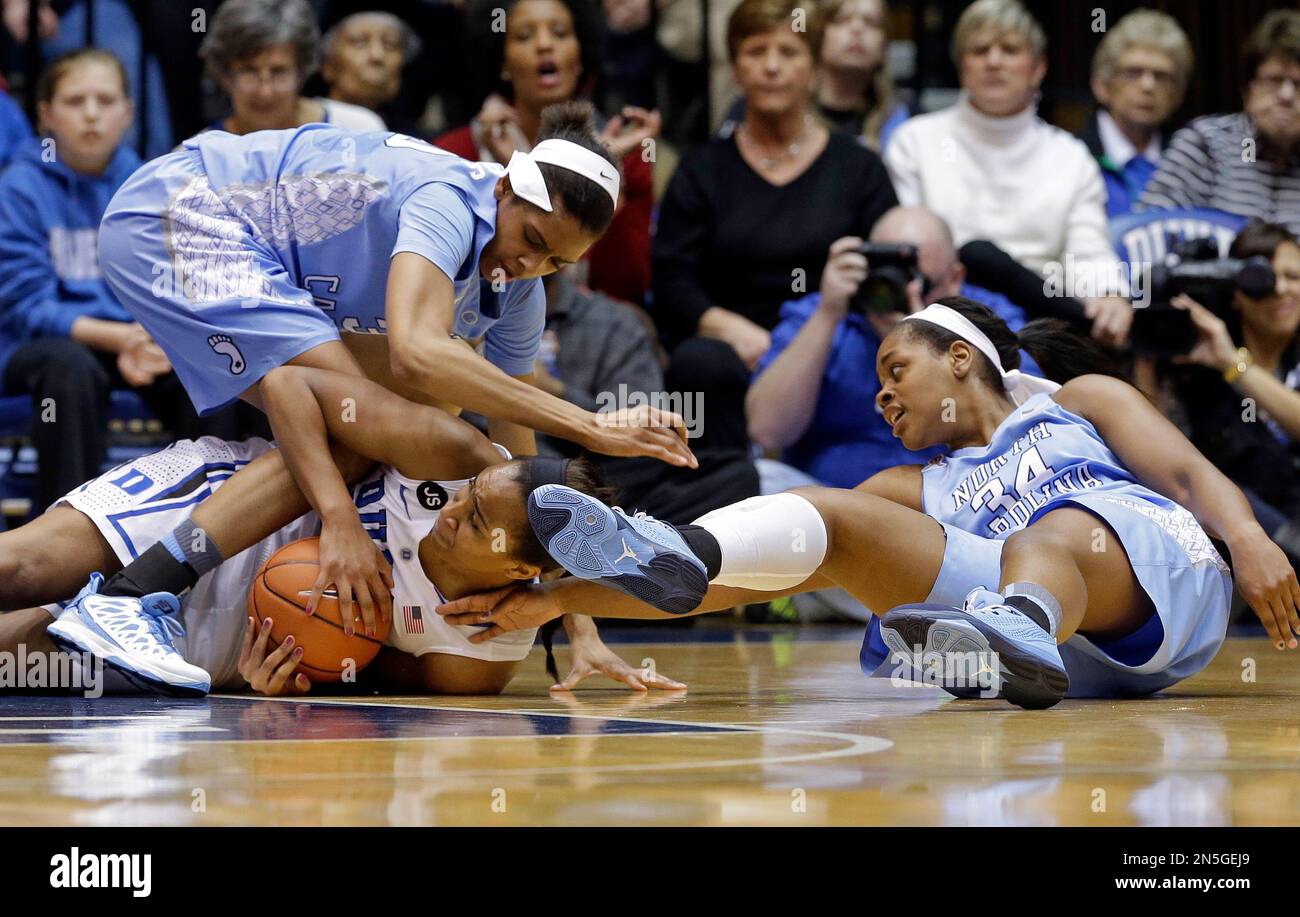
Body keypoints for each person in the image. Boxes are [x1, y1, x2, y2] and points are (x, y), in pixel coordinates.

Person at [74, 99, 695, 679]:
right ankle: (131, 595)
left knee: (390, 422)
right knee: (372, 426)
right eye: (532, 242)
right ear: (505, 187)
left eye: (557, 262)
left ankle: (148, 583)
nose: (533, 267)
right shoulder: (447, 198)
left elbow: (527, 470)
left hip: (232, 238)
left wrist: (571, 618)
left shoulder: (517, 289)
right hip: (180, 211)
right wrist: (590, 426)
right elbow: (416, 355)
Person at [440, 297, 1300, 709]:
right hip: (1066, 657)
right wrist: (553, 598)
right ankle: (667, 543)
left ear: (963, 357)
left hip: (1163, 580)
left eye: (898, 372)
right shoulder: (910, 487)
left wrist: (1251, 540)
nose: (884, 401)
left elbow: (1185, 474)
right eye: (879, 390)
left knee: (1054, 531)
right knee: (832, 519)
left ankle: (1013, 629)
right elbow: (757, 583)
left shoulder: (1075, 401)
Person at [1, 365, 680, 696]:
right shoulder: (451, 451)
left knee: (19, 662)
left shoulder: (478, 653)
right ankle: (133, 587)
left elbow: (359, 671)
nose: (452, 509)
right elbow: (293, 384)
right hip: (227, 510)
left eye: (473, 520)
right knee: (22, 570)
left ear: (513, 570)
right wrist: (340, 519)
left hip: (248, 624)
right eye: (469, 495)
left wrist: (286, 681)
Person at [0, 49, 240, 513]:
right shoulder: (18, 189)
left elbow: (177, 280)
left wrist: (158, 338)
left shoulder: (150, 184)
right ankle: (61, 546)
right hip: (42, 346)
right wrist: (122, 338)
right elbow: (27, 307)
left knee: (216, 369)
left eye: (105, 100)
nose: (91, 114)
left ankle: (212, 531)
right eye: (74, 101)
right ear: (46, 114)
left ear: (128, 113)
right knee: (69, 371)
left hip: (138, 342)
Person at [653, 0, 897, 452]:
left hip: (835, 346)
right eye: (755, 51)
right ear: (736, 69)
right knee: (698, 363)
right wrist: (731, 329)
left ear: (813, 67)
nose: (771, 66)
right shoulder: (701, 171)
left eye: (788, 52)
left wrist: (807, 345)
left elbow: (888, 271)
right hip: (730, 354)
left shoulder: (859, 168)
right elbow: (672, 281)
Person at [747, 206, 1064, 489]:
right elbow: (766, 431)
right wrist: (829, 313)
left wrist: (925, 338)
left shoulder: (985, 318)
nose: (896, 291)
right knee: (759, 478)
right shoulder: (823, 311)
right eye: (884, 276)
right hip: (830, 503)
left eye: (917, 280)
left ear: (954, 278)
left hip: (952, 501)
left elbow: (1024, 427)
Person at [883, 0, 1132, 347]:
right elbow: (910, 252)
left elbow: (1087, 253)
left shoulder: (1070, 156)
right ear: (961, 66)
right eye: (980, 50)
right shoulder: (914, 141)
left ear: (1038, 67)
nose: (994, 61)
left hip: (1044, 325)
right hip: (943, 322)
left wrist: (1106, 294)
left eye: (1010, 50)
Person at [436, 0, 658, 307]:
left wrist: (602, 186)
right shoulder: (456, 151)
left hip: (583, 323)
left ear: (581, 55)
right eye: (524, 36)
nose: (544, 45)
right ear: (502, 61)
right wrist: (511, 179)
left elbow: (625, 287)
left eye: (560, 33)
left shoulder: (627, 158)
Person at [1168, 220, 1300, 565]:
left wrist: (1235, 365)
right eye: (1263, 279)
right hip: (1234, 549)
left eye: (1294, 277)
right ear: (1237, 293)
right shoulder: (1196, 359)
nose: (1281, 290)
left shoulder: (1231, 360)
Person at [1138, 9, 1300, 236]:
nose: (1286, 96)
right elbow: (1146, 234)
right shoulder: (1206, 143)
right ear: (1248, 89)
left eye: (1298, 84)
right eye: (1273, 80)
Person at [718, 0, 909, 152]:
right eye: (841, 19)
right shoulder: (771, 105)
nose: (857, 29)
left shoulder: (905, 115)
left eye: (872, 22)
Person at [200, 0, 386, 135]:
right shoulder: (194, 158)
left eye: (279, 72)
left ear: (302, 71)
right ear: (224, 75)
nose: (266, 92)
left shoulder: (360, 130)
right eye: (249, 72)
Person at [1080, 9, 1192, 218]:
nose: (1148, 86)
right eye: (1133, 73)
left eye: (1161, 76)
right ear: (1102, 85)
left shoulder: (1192, 160)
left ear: (1178, 94)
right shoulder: (1072, 156)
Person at [319, 10, 420, 123]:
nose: (377, 55)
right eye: (359, 42)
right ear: (328, 65)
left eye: (390, 44)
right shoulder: (304, 129)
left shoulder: (414, 138)